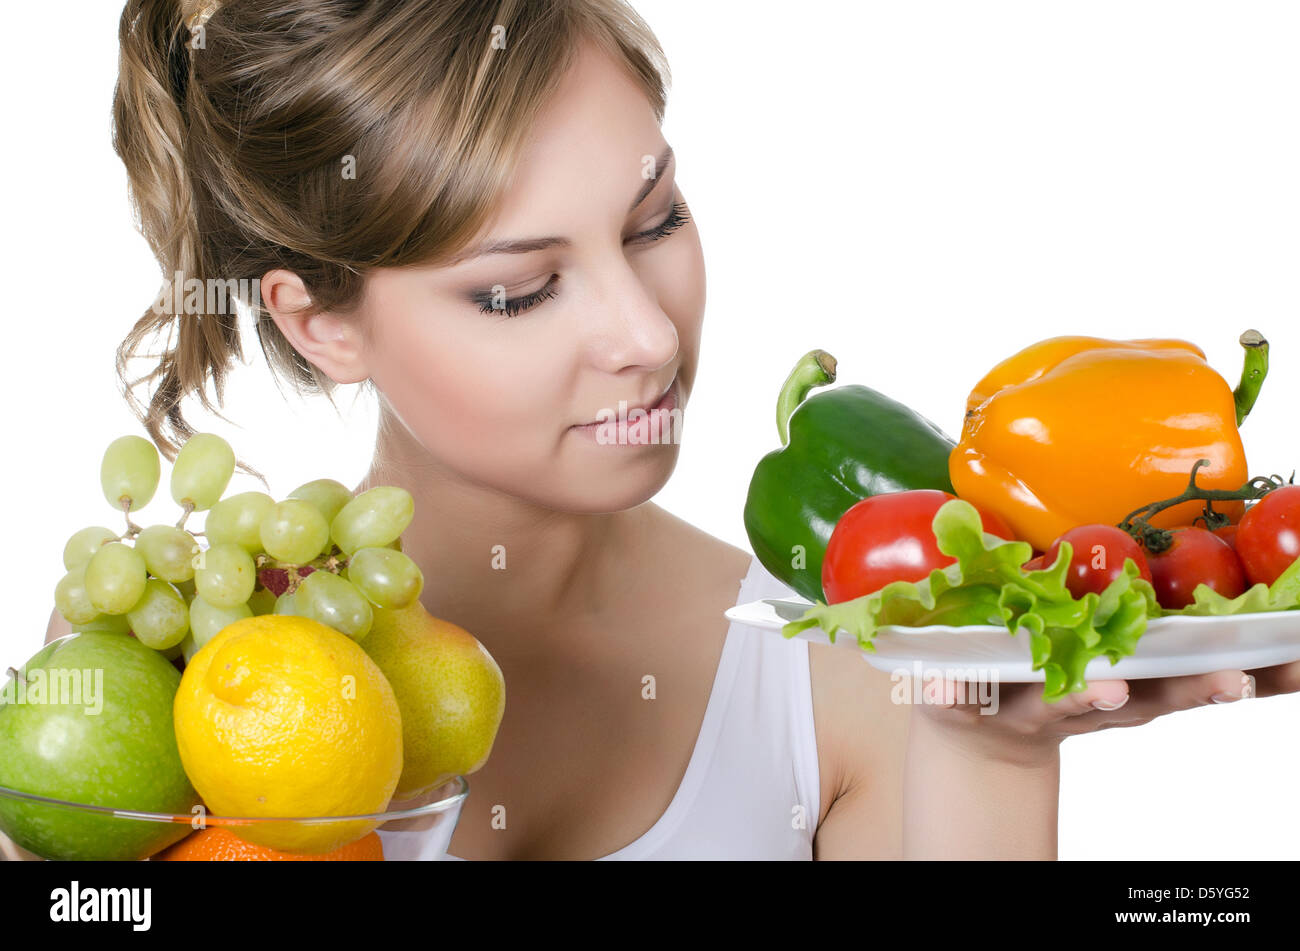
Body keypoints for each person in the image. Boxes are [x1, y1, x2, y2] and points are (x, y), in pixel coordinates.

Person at [48, 0, 1300, 860]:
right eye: (519, 289)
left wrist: (999, 751)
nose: (646, 333)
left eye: (653, 220)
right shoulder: (178, 672)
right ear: (321, 326)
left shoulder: (836, 672)